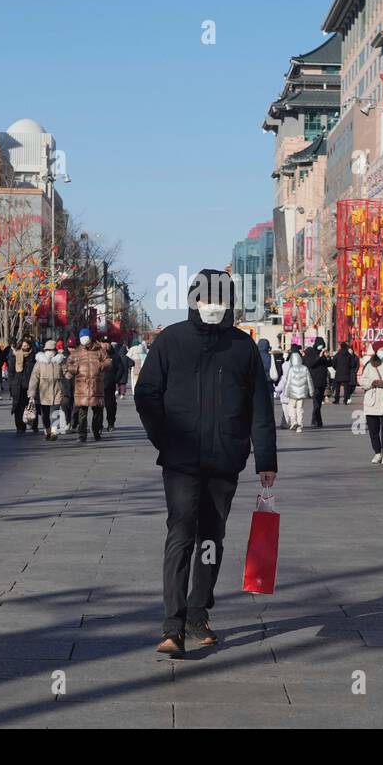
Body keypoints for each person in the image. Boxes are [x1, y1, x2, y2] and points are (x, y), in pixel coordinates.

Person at [134, 268, 277, 657]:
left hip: (225, 460)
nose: (212, 306)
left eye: (220, 299)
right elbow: (146, 393)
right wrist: (164, 437)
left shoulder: (242, 347)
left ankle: (199, 613)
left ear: (229, 303)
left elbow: (260, 406)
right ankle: (173, 625)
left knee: (212, 537)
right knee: (180, 534)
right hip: (181, 462)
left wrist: (266, 457)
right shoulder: (171, 341)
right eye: (206, 298)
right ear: (194, 300)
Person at [65, 328, 108, 443]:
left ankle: (96, 431)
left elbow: (108, 361)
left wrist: (100, 365)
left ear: (90, 337)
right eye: (81, 337)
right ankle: (81, 434)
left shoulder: (99, 350)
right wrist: (76, 369)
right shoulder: (77, 352)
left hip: (96, 385)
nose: (83, 339)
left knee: (98, 412)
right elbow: (68, 365)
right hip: (82, 386)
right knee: (82, 412)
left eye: (85, 337)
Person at [28, 340, 67, 441]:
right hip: (43, 392)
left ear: (55, 350)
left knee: (55, 412)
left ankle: (54, 432)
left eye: (52, 349)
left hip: (57, 390)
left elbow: (66, 373)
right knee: (44, 414)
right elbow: (34, 378)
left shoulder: (60, 361)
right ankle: (47, 430)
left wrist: (73, 372)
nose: (50, 352)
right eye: (48, 350)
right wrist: (31, 393)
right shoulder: (40, 362)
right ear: (45, 350)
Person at [276, 349, 315, 432]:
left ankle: (293, 421)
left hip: (292, 393)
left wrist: (286, 392)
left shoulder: (291, 369)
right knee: (300, 409)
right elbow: (309, 380)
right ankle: (300, 426)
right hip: (302, 393)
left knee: (291, 407)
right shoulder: (305, 368)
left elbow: (288, 382)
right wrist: (311, 391)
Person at [8, 337, 37, 433]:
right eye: (24, 344)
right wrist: (11, 387)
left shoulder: (33, 356)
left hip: (30, 385)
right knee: (18, 407)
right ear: (20, 345)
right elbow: (11, 372)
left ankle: (34, 425)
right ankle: (20, 427)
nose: (25, 346)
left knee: (31, 406)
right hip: (18, 385)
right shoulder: (14, 356)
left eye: (27, 344)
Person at [303, 342, 331, 427]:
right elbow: (311, 364)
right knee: (316, 403)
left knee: (318, 402)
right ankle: (315, 420)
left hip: (322, 382)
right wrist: (319, 357)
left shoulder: (321, 356)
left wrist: (327, 357)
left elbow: (330, 364)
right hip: (314, 382)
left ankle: (318, 421)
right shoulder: (311, 356)